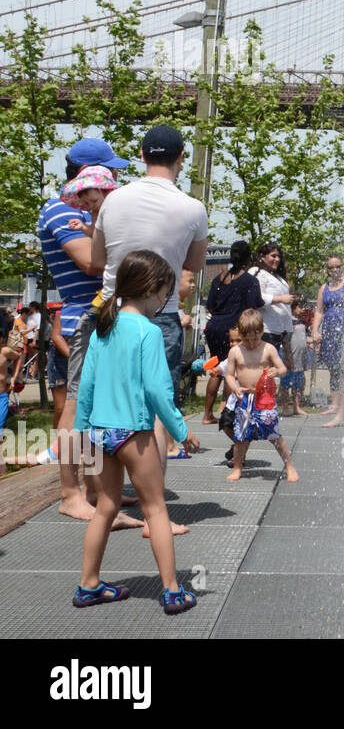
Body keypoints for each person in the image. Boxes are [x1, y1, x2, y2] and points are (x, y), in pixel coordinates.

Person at [91, 124, 209, 539]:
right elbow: (191, 267)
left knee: (86, 401)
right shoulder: (193, 208)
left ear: (141, 155)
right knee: (155, 415)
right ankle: (154, 514)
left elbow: (97, 258)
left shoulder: (113, 200)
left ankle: (93, 497)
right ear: (181, 159)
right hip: (160, 314)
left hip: (108, 311)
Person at [73, 250, 200, 614]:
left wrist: (81, 433)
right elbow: (157, 391)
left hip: (99, 433)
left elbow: (87, 387)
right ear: (151, 289)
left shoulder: (103, 328)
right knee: (156, 509)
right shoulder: (148, 331)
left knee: (106, 508)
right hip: (133, 432)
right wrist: (180, 429)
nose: (165, 301)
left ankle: (88, 585)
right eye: (165, 293)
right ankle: (172, 590)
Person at [37, 146, 128, 524]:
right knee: (74, 405)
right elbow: (91, 262)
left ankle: (94, 490)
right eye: (107, 174)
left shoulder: (87, 211)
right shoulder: (59, 209)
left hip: (101, 314)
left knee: (94, 408)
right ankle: (69, 493)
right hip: (80, 316)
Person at [225, 309, 296, 483]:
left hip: (264, 399)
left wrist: (276, 370)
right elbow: (228, 374)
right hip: (244, 398)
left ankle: (289, 465)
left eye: (254, 338)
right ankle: (237, 467)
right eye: (246, 339)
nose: (250, 343)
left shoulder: (268, 349)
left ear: (262, 331)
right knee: (240, 436)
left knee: (274, 435)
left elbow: (284, 368)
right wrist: (234, 387)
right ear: (240, 334)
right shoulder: (235, 351)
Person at [311, 253, 344, 428]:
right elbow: (319, 311)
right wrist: (315, 330)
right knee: (334, 369)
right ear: (327, 269)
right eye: (332, 267)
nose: (335, 270)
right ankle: (336, 406)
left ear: (343, 266)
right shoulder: (324, 288)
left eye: (338, 266)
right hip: (330, 332)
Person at [204, 241, 264, 363]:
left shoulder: (218, 279)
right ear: (248, 258)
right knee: (234, 370)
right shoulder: (250, 281)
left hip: (214, 329)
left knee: (217, 370)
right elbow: (251, 311)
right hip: (235, 332)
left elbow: (210, 306)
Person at [249, 241, 295, 396]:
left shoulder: (278, 276)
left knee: (279, 368)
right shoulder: (257, 272)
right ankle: (259, 398)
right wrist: (280, 298)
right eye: (273, 256)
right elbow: (255, 296)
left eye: (278, 256)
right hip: (267, 328)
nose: (276, 259)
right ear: (262, 256)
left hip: (281, 329)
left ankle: (270, 399)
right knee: (265, 367)